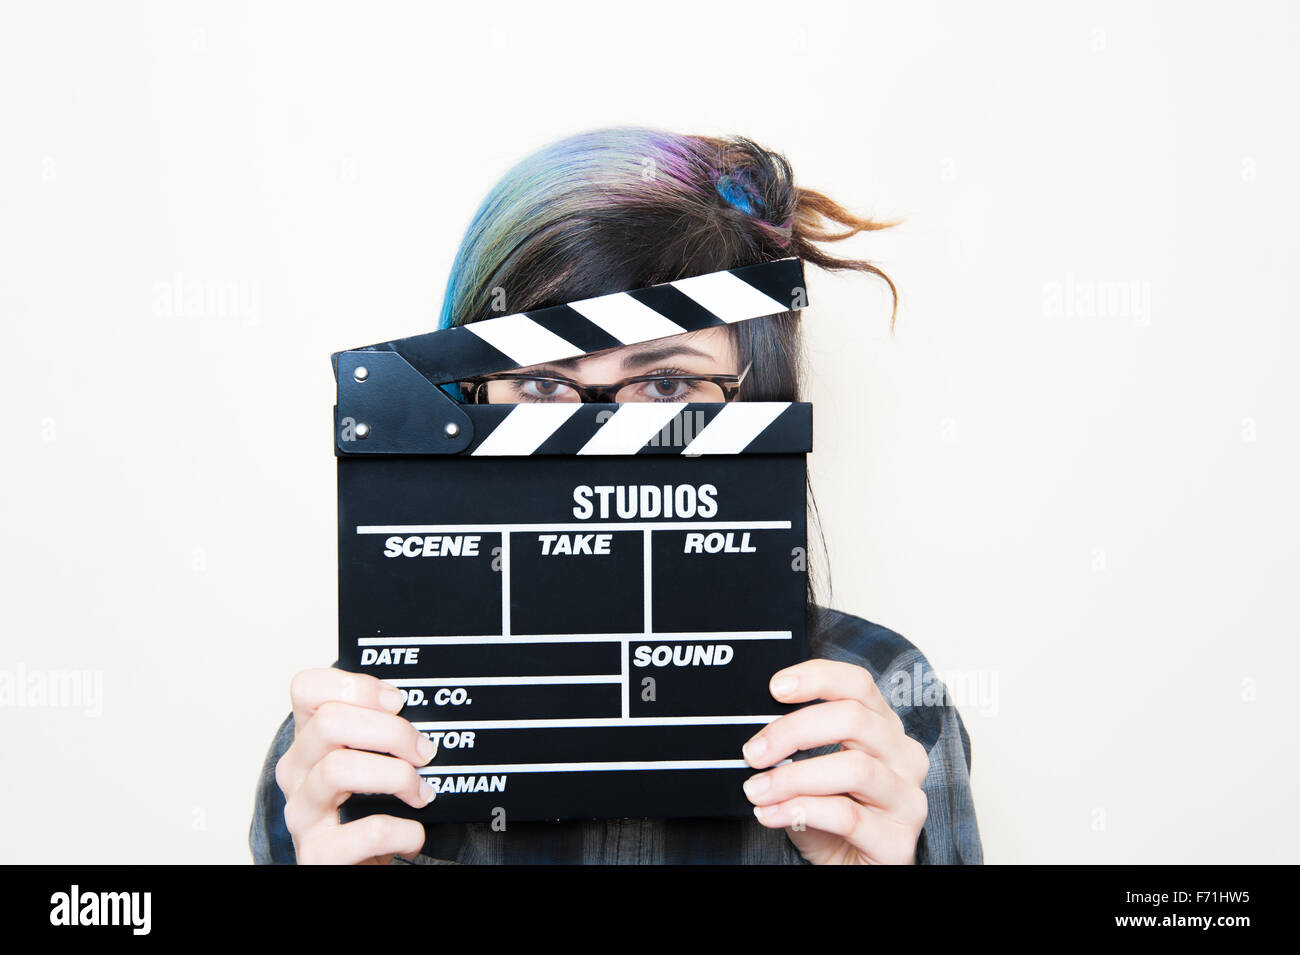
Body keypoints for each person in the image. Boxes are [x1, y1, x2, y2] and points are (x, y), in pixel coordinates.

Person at [250, 127, 983, 865]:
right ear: (467, 402)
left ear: (758, 405)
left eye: (665, 384)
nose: (597, 436)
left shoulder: (882, 717)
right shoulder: (349, 758)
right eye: (540, 383)